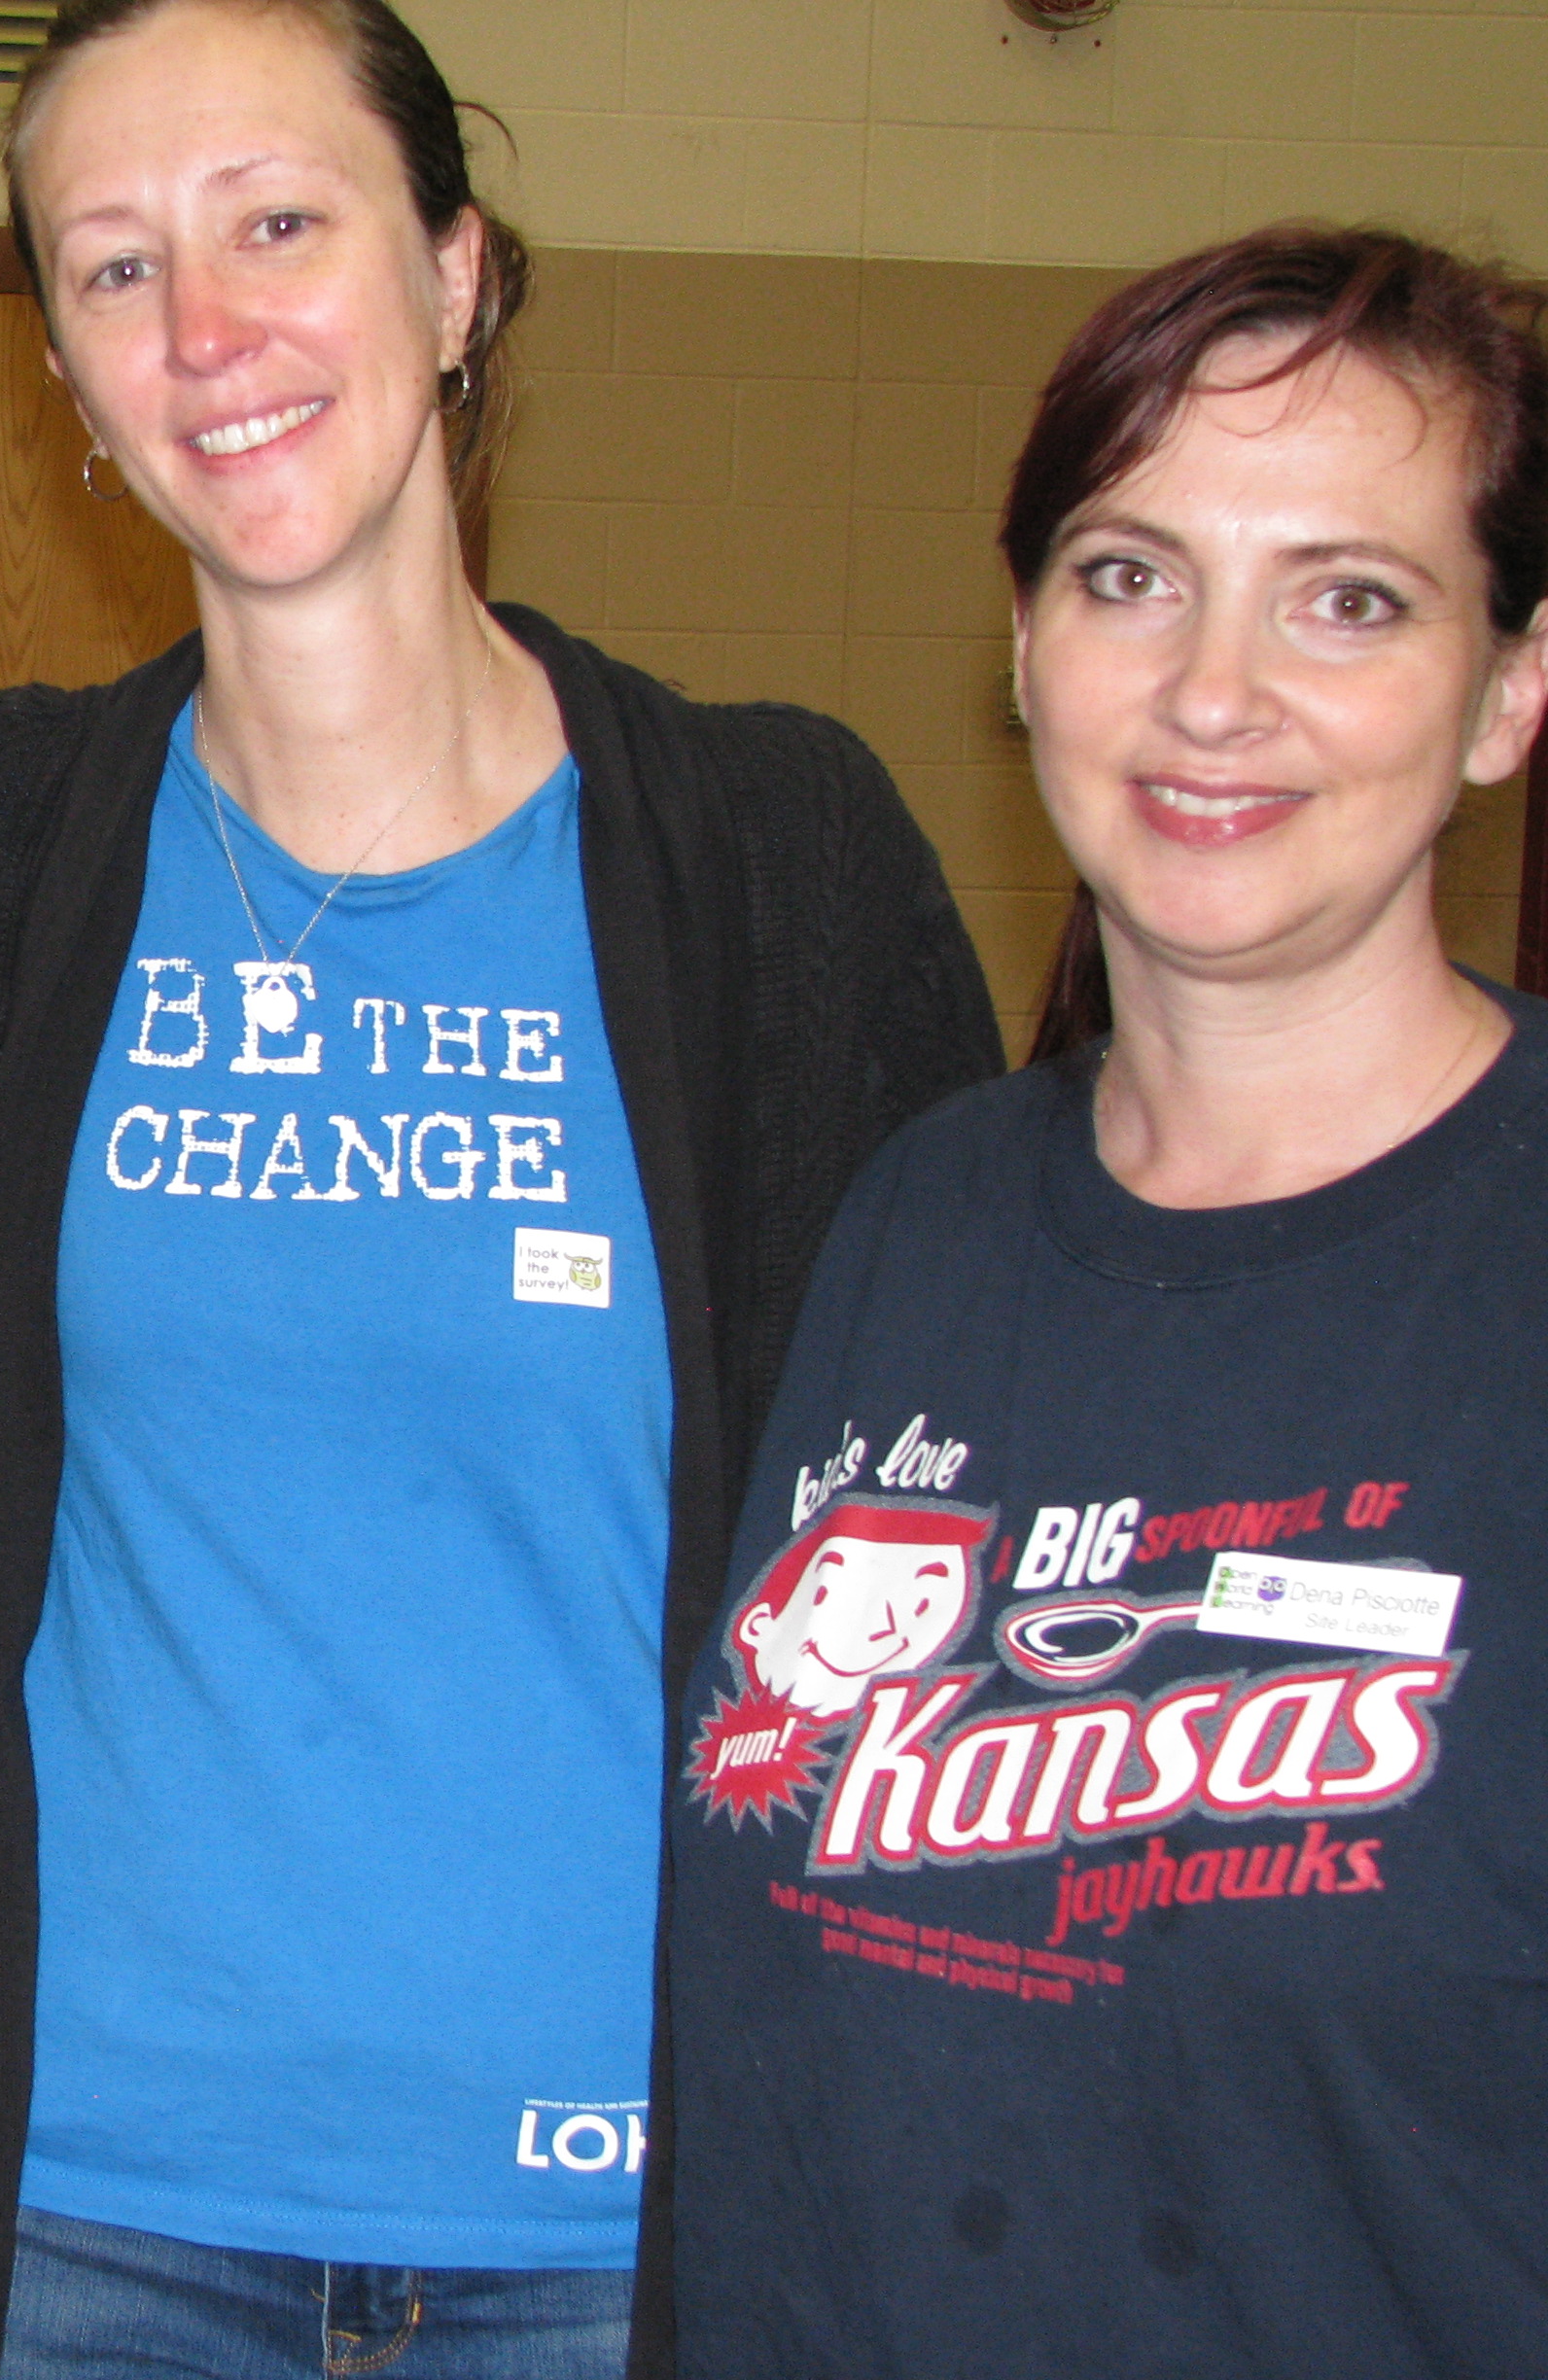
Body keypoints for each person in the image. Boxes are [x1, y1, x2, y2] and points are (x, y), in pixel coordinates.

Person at [0, 2, 1002, 2373]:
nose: (208, 327)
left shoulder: (780, 859)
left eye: (278, 224)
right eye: (117, 266)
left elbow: (999, 1419)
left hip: (618, 2220)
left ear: (456, 277)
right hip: (81, 2219)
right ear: (60, 360)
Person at [667, 227, 1548, 2378]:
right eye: (1132, 575)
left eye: (1350, 597)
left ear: (1512, 689)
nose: (1213, 692)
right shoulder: (919, 1216)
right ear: (1028, 644)